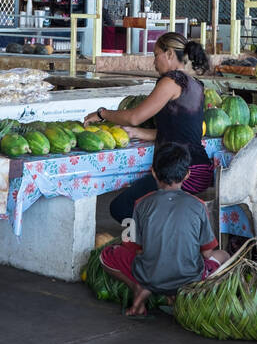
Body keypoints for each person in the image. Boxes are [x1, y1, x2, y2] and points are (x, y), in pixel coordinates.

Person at [87, 32, 214, 221]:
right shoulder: (195, 84)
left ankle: (159, 240)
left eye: (156, 55)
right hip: (200, 169)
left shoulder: (172, 81)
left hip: (183, 173)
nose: (154, 62)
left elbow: (134, 117)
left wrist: (102, 114)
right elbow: (179, 131)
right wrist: (138, 133)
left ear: (170, 54)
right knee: (140, 208)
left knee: (121, 208)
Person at [97, 142, 228, 318]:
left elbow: (136, 249)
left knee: (106, 256)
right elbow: (206, 253)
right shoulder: (198, 205)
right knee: (224, 255)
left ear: (153, 172)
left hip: (150, 279)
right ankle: (188, 296)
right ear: (187, 174)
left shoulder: (141, 203)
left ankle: (139, 287)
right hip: (190, 280)